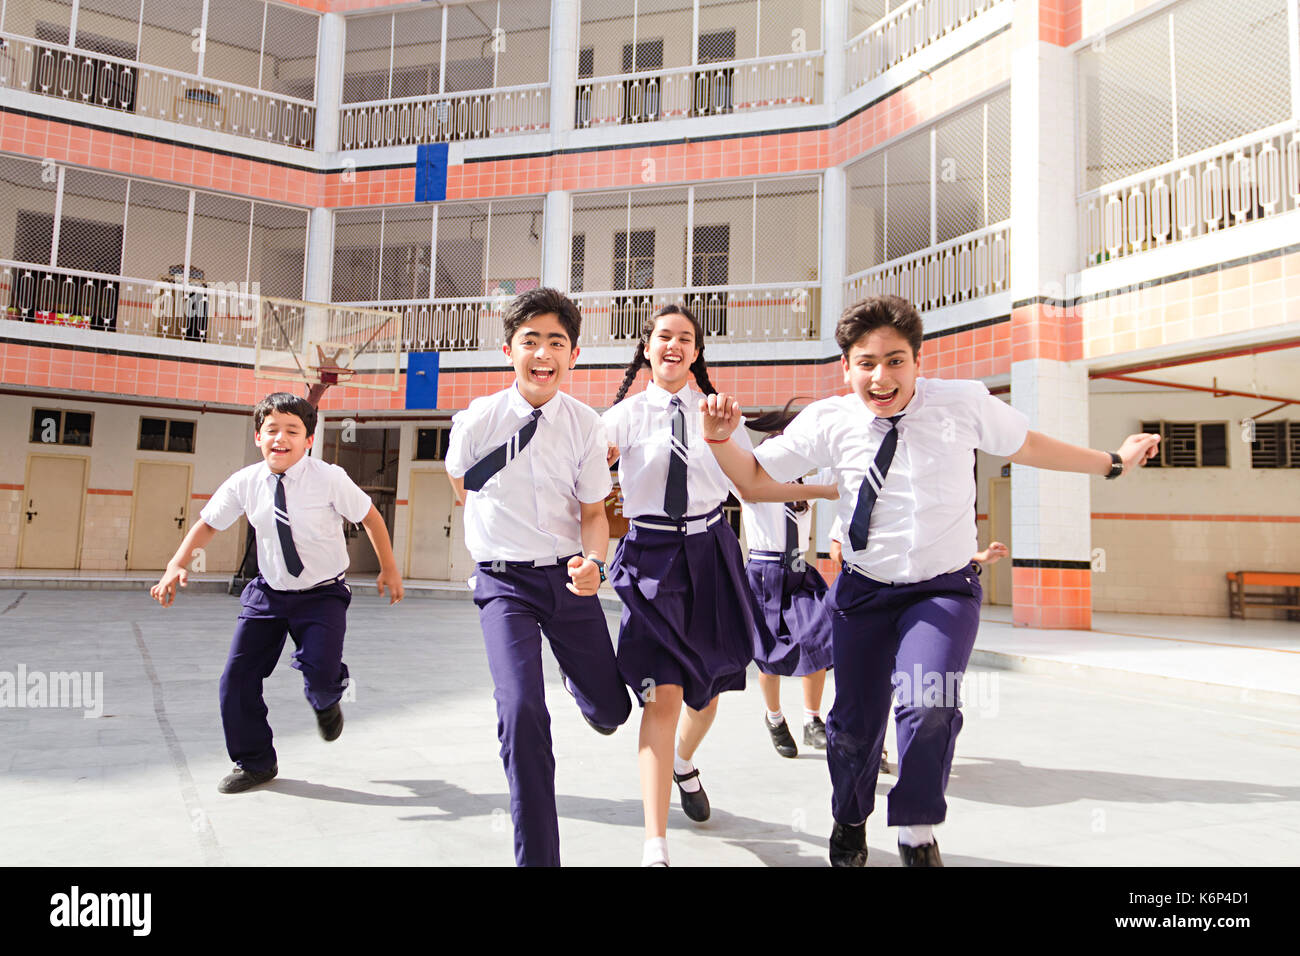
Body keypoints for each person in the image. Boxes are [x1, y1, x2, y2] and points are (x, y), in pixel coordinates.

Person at [700, 295, 1159, 867]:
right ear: (846, 368)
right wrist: (721, 441)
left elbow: (1030, 445)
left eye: (896, 361)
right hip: (864, 592)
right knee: (853, 723)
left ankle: (917, 829)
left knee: (928, 700)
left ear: (919, 362)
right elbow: (757, 483)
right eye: (866, 362)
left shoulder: (962, 403)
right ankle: (849, 816)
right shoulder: (829, 420)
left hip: (941, 589)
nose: (881, 376)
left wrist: (1111, 461)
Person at [603, 304, 835, 867]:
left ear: (698, 352)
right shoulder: (621, 418)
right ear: (648, 347)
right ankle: (654, 845)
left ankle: (684, 761)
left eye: (687, 337)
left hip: (709, 555)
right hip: (652, 560)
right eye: (664, 336)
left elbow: (754, 485)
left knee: (703, 695)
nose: (674, 345)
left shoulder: (719, 414)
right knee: (662, 696)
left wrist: (830, 492)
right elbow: (579, 481)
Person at [444, 287, 632, 867]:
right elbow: (462, 488)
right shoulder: (477, 420)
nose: (543, 352)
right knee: (522, 710)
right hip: (504, 584)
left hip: (568, 579)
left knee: (613, 711)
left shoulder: (584, 426)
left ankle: (587, 688)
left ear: (573, 354)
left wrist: (594, 565)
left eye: (557, 341)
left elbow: (595, 516)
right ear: (509, 350)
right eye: (531, 341)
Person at [150, 392, 404, 794]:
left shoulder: (329, 478)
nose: (280, 438)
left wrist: (389, 568)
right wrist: (177, 564)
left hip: (322, 595)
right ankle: (255, 762)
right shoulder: (245, 482)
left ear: (308, 440)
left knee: (319, 671)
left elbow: (370, 517)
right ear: (257, 437)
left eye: (292, 430)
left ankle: (326, 698)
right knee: (236, 680)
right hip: (268, 594)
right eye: (271, 430)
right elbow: (208, 524)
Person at [828, 529, 1009, 775]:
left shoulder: (927, 507)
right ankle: (872, 749)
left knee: (919, 688)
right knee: (871, 692)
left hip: (925, 605)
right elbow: (836, 549)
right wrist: (872, 566)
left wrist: (981, 556)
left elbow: (935, 552)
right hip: (871, 597)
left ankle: (905, 767)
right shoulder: (863, 496)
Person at [740, 399, 835, 759]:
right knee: (769, 654)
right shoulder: (753, 491)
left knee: (819, 639)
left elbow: (839, 468)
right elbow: (734, 466)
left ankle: (813, 720)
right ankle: (775, 718)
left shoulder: (806, 490)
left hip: (799, 571)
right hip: (764, 575)